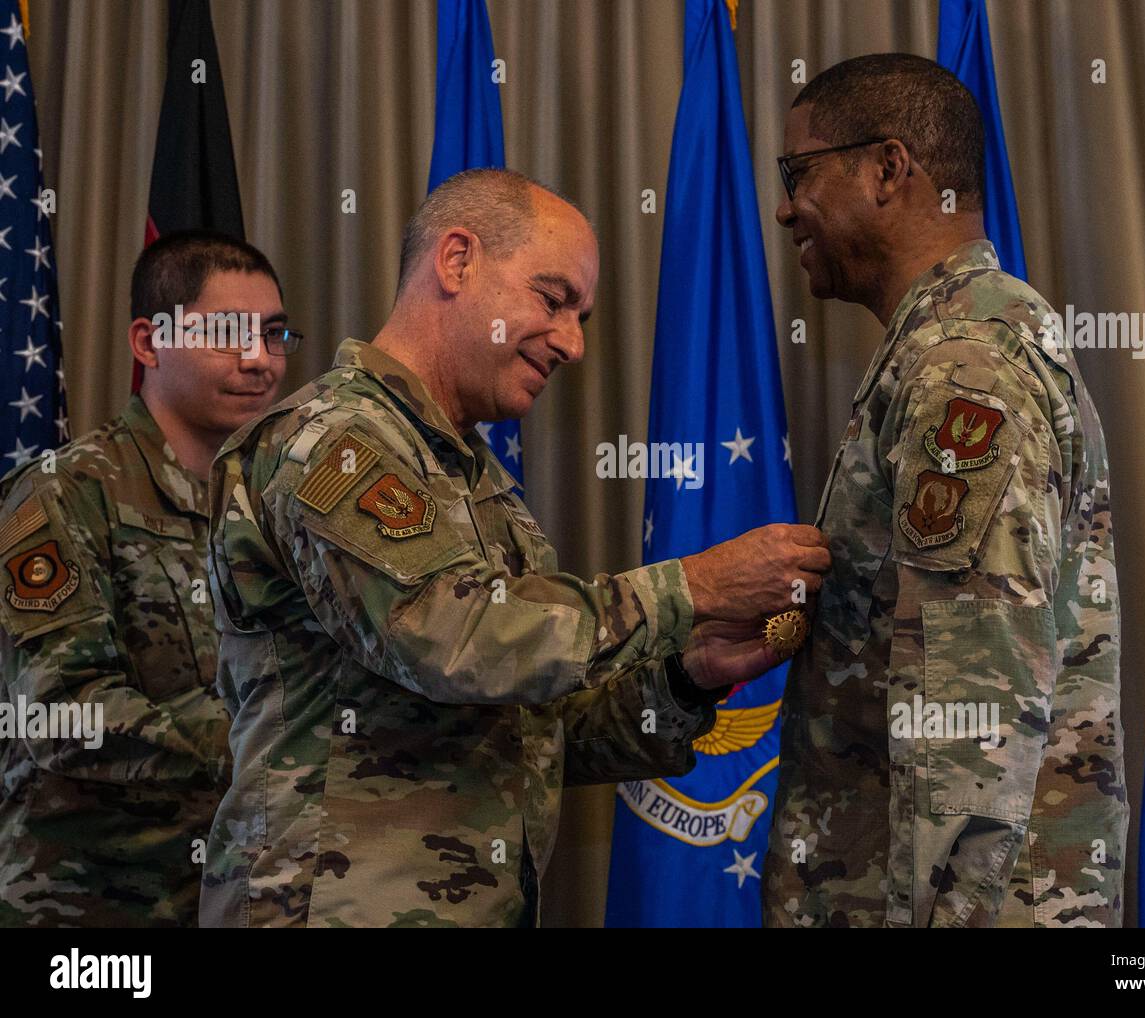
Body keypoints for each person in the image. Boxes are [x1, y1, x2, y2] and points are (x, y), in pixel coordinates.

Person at [201, 168, 830, 928]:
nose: (572, 343)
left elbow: (534, 730)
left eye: (582, 316)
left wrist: (687, 678)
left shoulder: (475, 479)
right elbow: (451, 637)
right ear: (457, 260)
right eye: (553, 299)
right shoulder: (335, 440)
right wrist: (690, 588)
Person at [762, 54, 1127, 928]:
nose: (784, 207)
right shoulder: (952, 344)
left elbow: (971, 714)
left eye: (799, 172)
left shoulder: (964, 362)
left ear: (888, 169)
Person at [0, 230, 295, 926]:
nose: (259, 361)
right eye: (228, 332)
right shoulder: (59, 496)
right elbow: (60, 714)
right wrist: (281, 735)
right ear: (147, 342)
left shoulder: (278, 507)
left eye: (275, 335)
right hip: (87, 915)